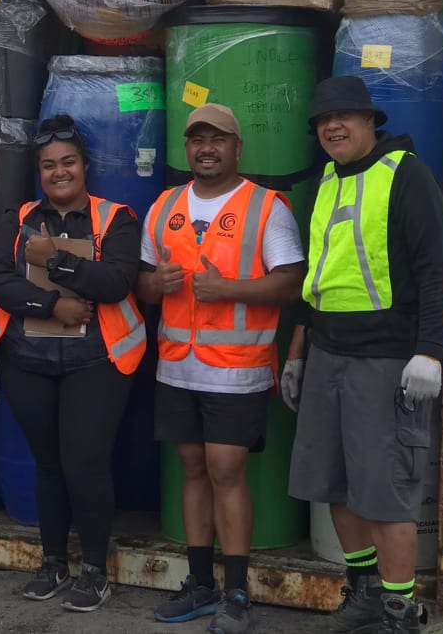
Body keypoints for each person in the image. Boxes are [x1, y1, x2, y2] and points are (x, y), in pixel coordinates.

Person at [282, 76, 443, 634]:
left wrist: (429, 352)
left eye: (345, 117)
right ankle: (366, 593)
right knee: (332, 482)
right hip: (328, 353)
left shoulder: (406, 175)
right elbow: (320, 275)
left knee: (385, 493)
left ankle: (402, 612)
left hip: (385, 360)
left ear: (369, 121)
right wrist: (299, 350)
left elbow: (434, 270)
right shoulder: (328, 179)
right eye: (324, 122)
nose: (333, 127)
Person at [138, 103, 305, 633]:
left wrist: (228, 288)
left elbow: (291, 283)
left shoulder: (266, 208)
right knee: (192, 469)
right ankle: (201, 585)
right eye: (196, 140)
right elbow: (142, 283)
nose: (205, 149)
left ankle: (237, 591)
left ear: (238, 148)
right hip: (177, 368)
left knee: (226, 471)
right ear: (186, 149)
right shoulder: (165, 206)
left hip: (237, 368)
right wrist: (153, 286)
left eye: (217, 140)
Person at [0, 114, 146, 613]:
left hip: (95, 361)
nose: (59, 172)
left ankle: (95, 570)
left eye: (68, 163)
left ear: (85, 166)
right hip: (27, 360)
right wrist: (53, 304)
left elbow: (116, 281)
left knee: (86, 461)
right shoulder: (16, 219)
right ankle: (53, 561)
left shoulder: (115, 218)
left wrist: (54, 259)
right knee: (48, 464)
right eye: (49, 165)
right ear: (39, 171)